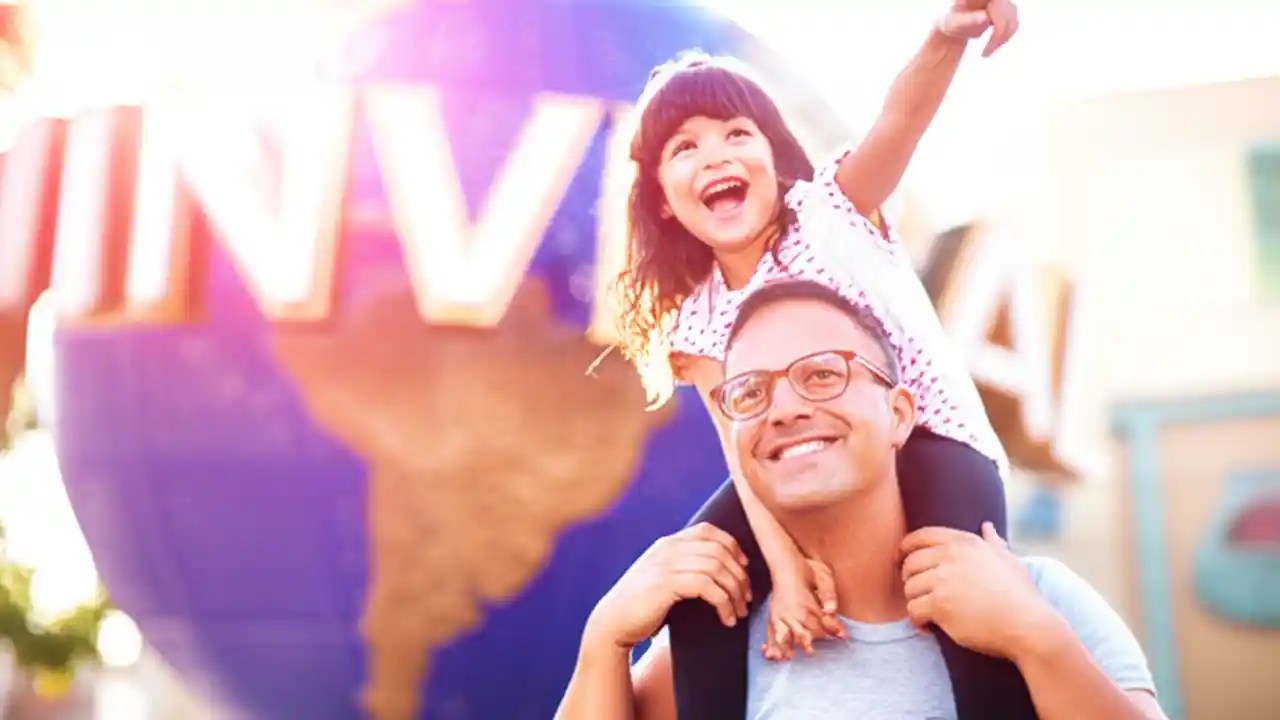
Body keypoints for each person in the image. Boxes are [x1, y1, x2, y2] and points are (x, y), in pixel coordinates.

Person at [609, 0, 1030, 716]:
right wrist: (787, 571)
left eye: (737, 134)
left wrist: (941, 39)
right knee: (701, 567)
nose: (715, 154)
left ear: (776, 161)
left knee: (963, 597)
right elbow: (744, 460)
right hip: (802, 462)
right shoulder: (698, 320)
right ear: (665, 203)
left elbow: (899, 121)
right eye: (686, 148)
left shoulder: (829, 214)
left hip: (931, 447)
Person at [558, 280, 1166, 720]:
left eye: (823, 374)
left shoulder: (1042, 602)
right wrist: (605, 639)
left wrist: (1035, 640)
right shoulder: (710, 648)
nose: (787, 409)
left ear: (899, 413)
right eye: (750, 392)